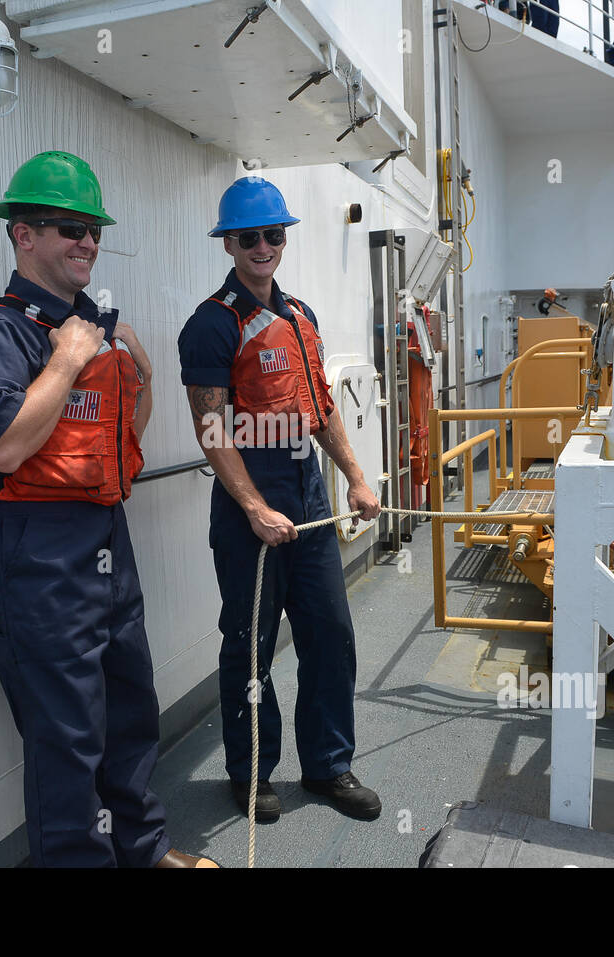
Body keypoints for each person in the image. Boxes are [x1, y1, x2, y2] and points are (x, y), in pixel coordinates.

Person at [0, 151, 215, 868]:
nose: (86, 241)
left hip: (104, 549)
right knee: (65, 746)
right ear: (21, 235)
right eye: (68, 227)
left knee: (130, 715)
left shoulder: (96, 330)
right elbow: (1, 448)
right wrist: (64, 361)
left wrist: (131, 373)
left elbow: (126, 425)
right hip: (29, 569)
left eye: (92, 229)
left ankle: (144, 849)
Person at [177, 177, 383, 823]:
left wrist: (353, 474)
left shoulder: (301, 316)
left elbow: (320, 409)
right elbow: (212, 430)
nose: (263, 245)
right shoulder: (212, 325)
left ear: (283, 239)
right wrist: (251, 506)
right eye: (249, 237)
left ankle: (328, 765)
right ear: (230, 244)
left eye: (273, 234)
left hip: (310, 492)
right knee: (250, 645)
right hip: (251, 508)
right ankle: (252, 771)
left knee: (330, 635)